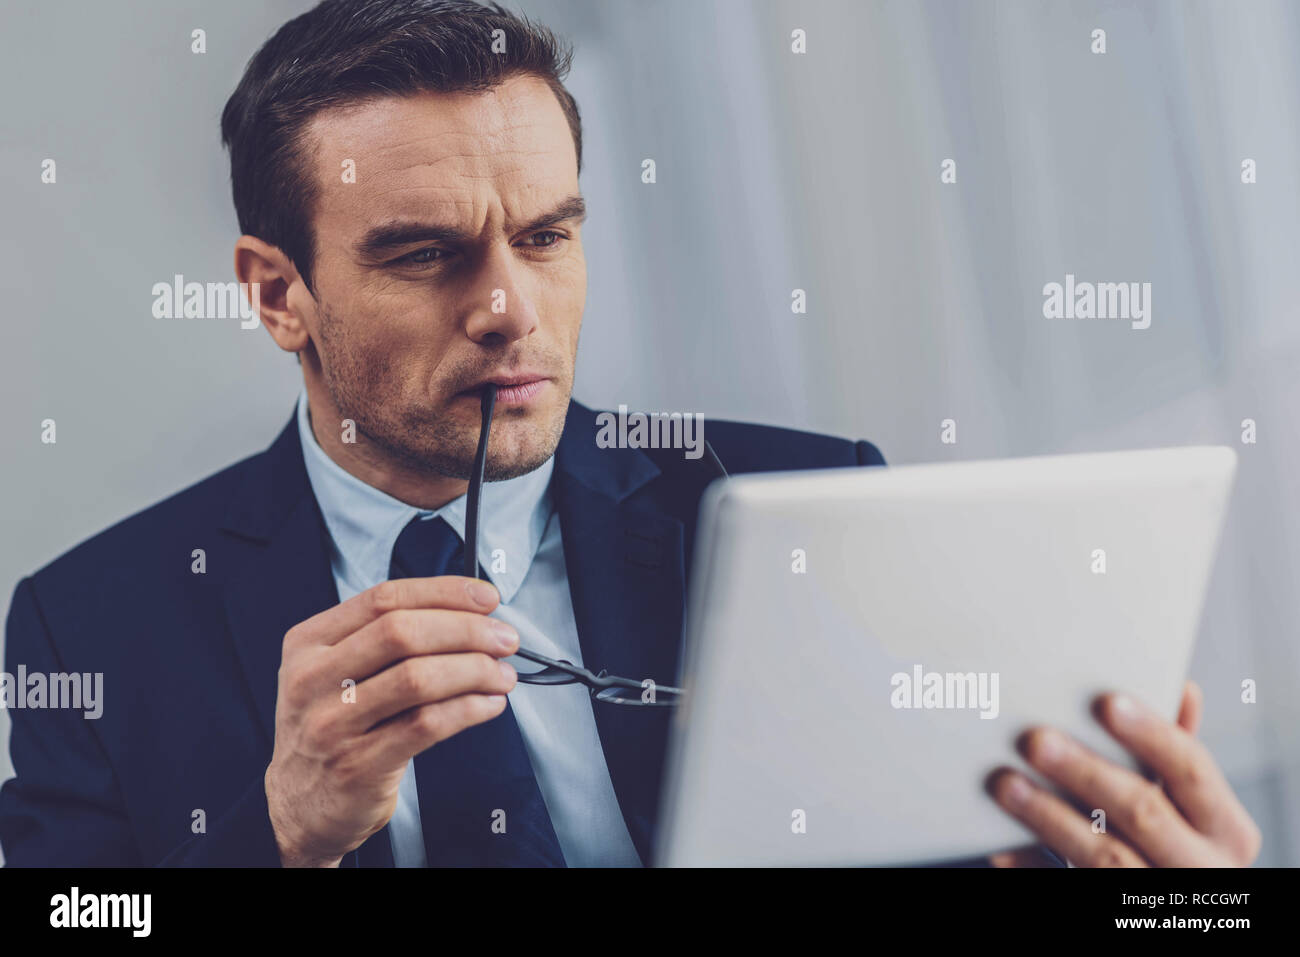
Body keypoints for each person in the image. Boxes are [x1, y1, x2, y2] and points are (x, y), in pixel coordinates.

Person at [0, 0, 1259, 868]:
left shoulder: (808, 503)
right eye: (426, 255)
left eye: (546, 237)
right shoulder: (93, 622)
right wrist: (274, 833)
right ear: (279, 294)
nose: (507, 310)